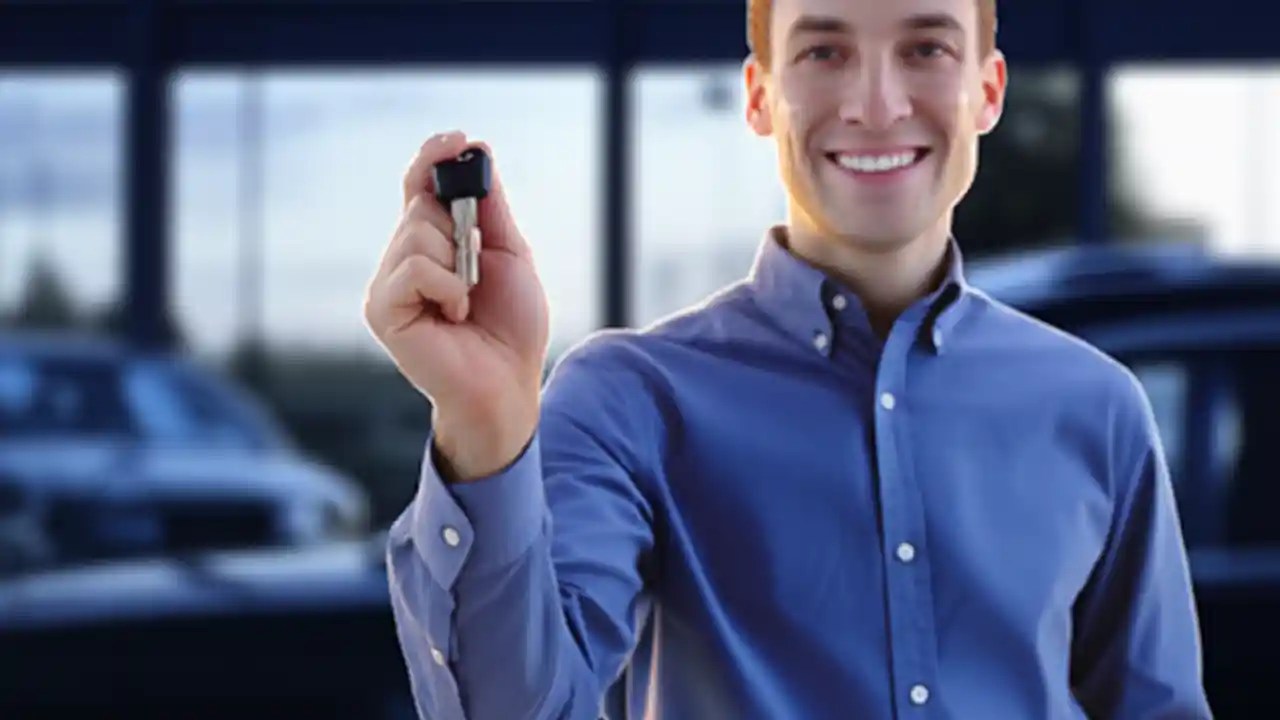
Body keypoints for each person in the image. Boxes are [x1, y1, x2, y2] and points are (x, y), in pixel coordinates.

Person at [362, 0, 1214, 717]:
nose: (876, 105)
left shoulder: (1098, 408)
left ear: (986, 90)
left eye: (924, 48)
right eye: (823, 51)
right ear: (760, 95)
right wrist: (484, 421)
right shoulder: (629, 402)